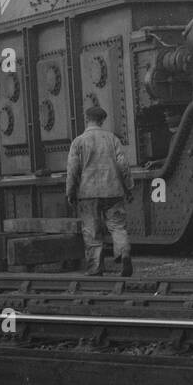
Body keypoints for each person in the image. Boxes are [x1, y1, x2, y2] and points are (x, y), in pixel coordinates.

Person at [65, 105, 134, 276]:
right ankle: (124, 253)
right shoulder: (112, 139)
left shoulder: (78, 141)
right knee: (118, 227)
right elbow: (123, 165)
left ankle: (96, 268)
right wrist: (129, 187)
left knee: (92, 231)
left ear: (86, 119)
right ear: (103, 120)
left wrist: (70, 192)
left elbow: (72, 170)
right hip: (113, 191)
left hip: (88, 193)